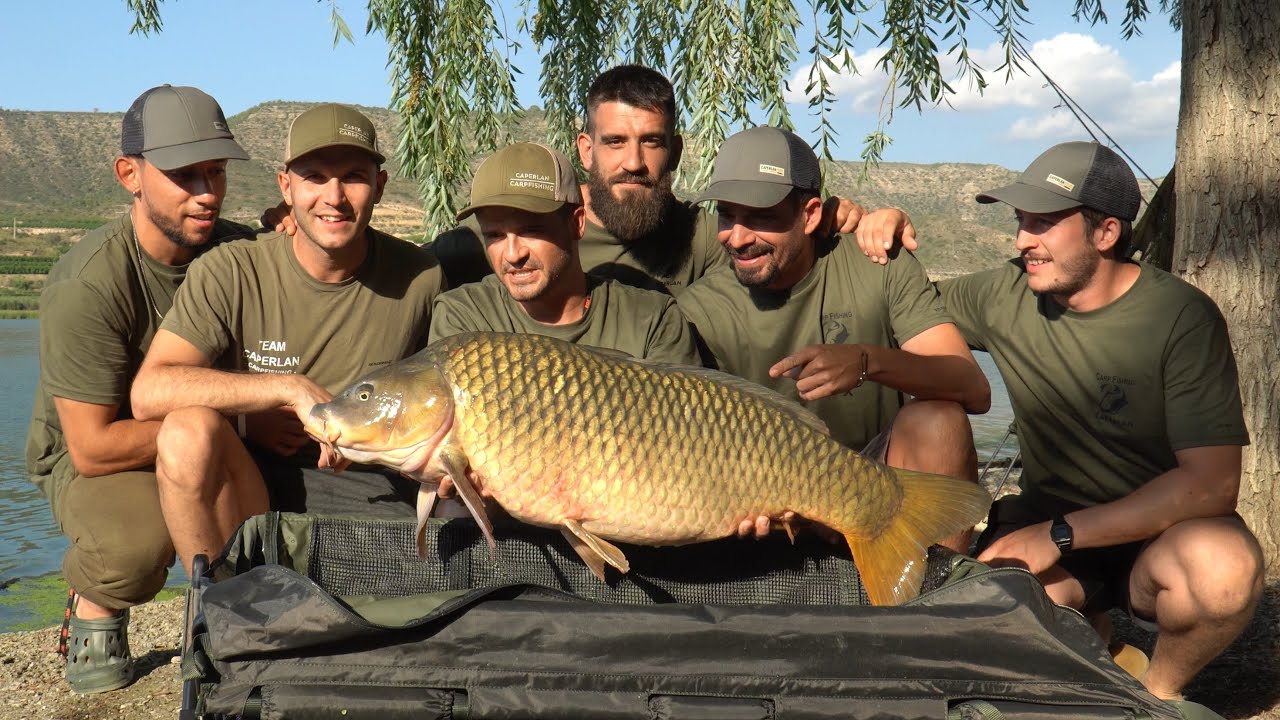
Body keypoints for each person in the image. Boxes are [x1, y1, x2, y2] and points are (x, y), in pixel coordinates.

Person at [922, 141, 1263, 701]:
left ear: (1106, 233)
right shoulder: (1003, 292)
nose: (1022, 241)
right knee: (993, 621)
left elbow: (1213, 483)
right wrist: (864, 223)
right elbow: (906, 308)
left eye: (1044, 223)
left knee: (1223, 572)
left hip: (1155, 532)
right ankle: (1096, 640)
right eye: (1021, 221)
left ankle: (1156, 697)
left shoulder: (1180, 317)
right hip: (1049, 515)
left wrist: (1060, 536)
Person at [129, 103, 446, 578]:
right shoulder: (231, 269)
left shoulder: (422, 277)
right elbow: (149, 392)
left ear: (379, 186)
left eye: (353, 177)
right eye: (314, 177)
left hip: (370, 489)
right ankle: (214, 603)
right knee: (184, 433)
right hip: (253, 485)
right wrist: (287, 388)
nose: (333, 197)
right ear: (287, 188)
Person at [24, 84, 251, 694]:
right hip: (99, 457)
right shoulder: (89, 283)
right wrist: (219, 428)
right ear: (131, 173)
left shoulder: (241, 253)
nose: (207, 192)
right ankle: (94, 596)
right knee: (131, 552)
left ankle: (238, 613)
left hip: (204, 438)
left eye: (216, 171)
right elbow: (92, 447)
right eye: (184, 174)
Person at [676, 126, 990, 550]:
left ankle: (932, 605)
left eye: (761, 217)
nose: (737, 237)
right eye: (727, 214)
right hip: (765, 496)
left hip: (875, 482)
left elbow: (972, 387)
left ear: (809, 215)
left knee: (938, 421)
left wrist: (866, 362)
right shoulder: (699, 309)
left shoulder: (879, 264)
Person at [430, 64, 890, 293]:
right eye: (614, 142)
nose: (633, 161)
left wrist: (853, 221)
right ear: (586, 149)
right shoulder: (509, 234)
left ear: (676, 151)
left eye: (651, 142)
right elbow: (392, 273)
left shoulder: (708, 239)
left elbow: (792, 248)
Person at [428, 141, 700, 366]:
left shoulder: (654, 319)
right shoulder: (463, 316)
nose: (512, 254)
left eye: (531, 231)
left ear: (576, 223)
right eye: (494, 235)